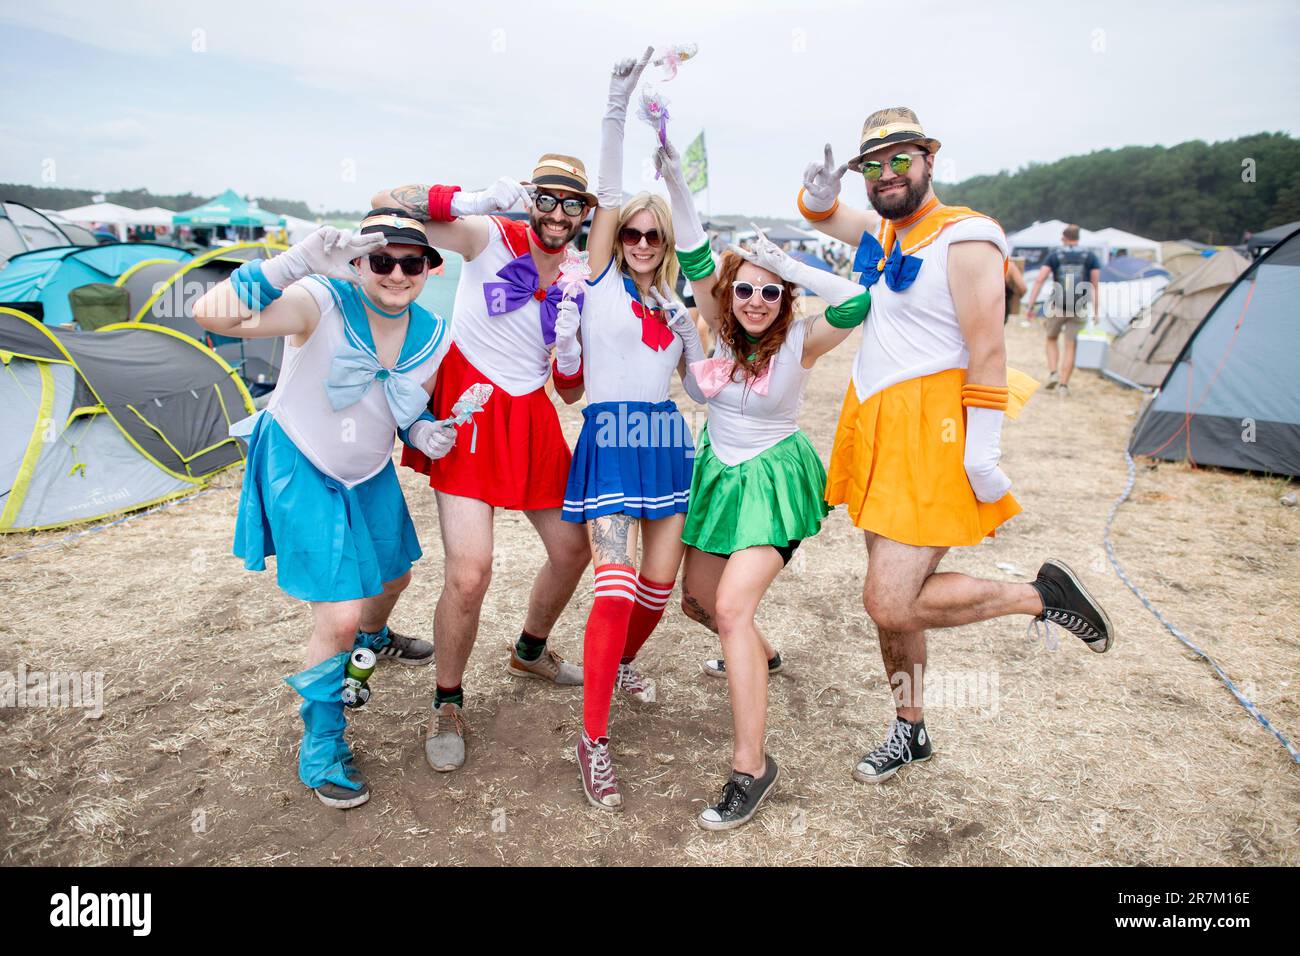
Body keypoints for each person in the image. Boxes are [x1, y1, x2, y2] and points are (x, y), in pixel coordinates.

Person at [796, 107, 1115, 787]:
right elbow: (826, 219)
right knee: (896, 603)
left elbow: (989, 345)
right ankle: (909, 730)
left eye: (899, 160)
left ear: (928, 161)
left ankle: (1041, 594)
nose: (885, 174)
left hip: (937, 437)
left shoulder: (967, 236)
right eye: (871, 165)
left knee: (888, 599)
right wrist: (820, 195)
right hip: (884, 431)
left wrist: (982, 450)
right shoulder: (890, 234)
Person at [194, 212, 453, 808]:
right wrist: (294, 262)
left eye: (410, 262)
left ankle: (375, 634)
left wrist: (424, 432)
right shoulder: (319, 299)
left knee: (394, 577)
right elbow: (211, 314)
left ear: (429, 269)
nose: (395, 272)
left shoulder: (433, 332)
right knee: (336, 618)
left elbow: (404, 405)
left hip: (369, 471)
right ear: (357, 260)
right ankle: (323, 742)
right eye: (380, 259)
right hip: (304, 463)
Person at [659, 137, 873, 830]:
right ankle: (763, 655)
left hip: (774, 481)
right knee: (698, 605)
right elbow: (692, 247)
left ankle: (751, 767)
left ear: (785, 297)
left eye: (769, 290)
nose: (755, 299)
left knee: (731, 611)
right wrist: (671, 176)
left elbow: (859, 301)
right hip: (719, 476)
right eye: (745, 287)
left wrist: (787, 261)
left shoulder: (801, 341)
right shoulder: (716, 329)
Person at [371, 155, 598, 773]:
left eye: (570, 203)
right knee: (470, 573)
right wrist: (474, 198)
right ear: (528, 198)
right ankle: (447, 701)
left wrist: (573, 342)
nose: (556, 213)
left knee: (574, 548)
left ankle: (529, 648)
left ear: (585, 212)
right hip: (471, 408)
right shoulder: (490, 234)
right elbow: (388, 198)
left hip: (531, 417)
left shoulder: (581, 274)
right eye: (544, 198)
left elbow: (571, 390)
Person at [559, 48, 705, 812]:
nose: (642, 244)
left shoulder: (674, 300)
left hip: (667, 444)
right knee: (613, 590)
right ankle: (594, 741)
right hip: (611, 445)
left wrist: (696, 337)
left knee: (657, 587)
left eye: (654, 236)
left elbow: (697, 385)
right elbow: (611, 190)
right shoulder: (602, 279)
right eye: (633, 235)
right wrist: (616, 106)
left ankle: (616, 664)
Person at [1024, 224, 1101, 396]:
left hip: (1058, 305)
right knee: (1070, 345)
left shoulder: (1055, 255)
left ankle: (1053, 373)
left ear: (1063, 238)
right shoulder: (1090, 257)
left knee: (1051, 339)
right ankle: (1064, 385)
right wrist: (1096, 311)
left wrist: (1030, 305)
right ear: (1078, 237)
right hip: (1079, 306)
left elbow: (1039, 279)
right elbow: (1095, 285)